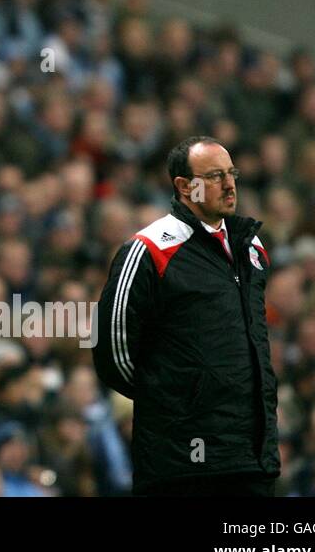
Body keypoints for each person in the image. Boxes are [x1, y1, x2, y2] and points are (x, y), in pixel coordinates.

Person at [94, 136, 280, 496]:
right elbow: (110, 348)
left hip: (251, 456)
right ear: (183, 186)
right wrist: (173, 399)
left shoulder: (251, 247)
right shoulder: (149, 250)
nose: (229, 185)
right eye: (214, 176)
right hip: (180, 464)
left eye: (231, 173)